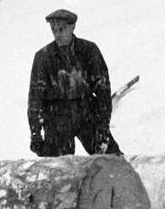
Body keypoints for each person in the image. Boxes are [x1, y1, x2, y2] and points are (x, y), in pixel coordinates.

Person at [27, 9, 121, 156]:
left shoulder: (89, 50)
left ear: (72, 27)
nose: (57, 34)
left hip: (87, 112)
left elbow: (103, 90)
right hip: (57, 118)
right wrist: (35, 134)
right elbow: (35, 98)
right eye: (53, 30)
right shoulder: (43, 57)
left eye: (61, 29)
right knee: (59, 171)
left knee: (113, 160)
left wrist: (103, 126)